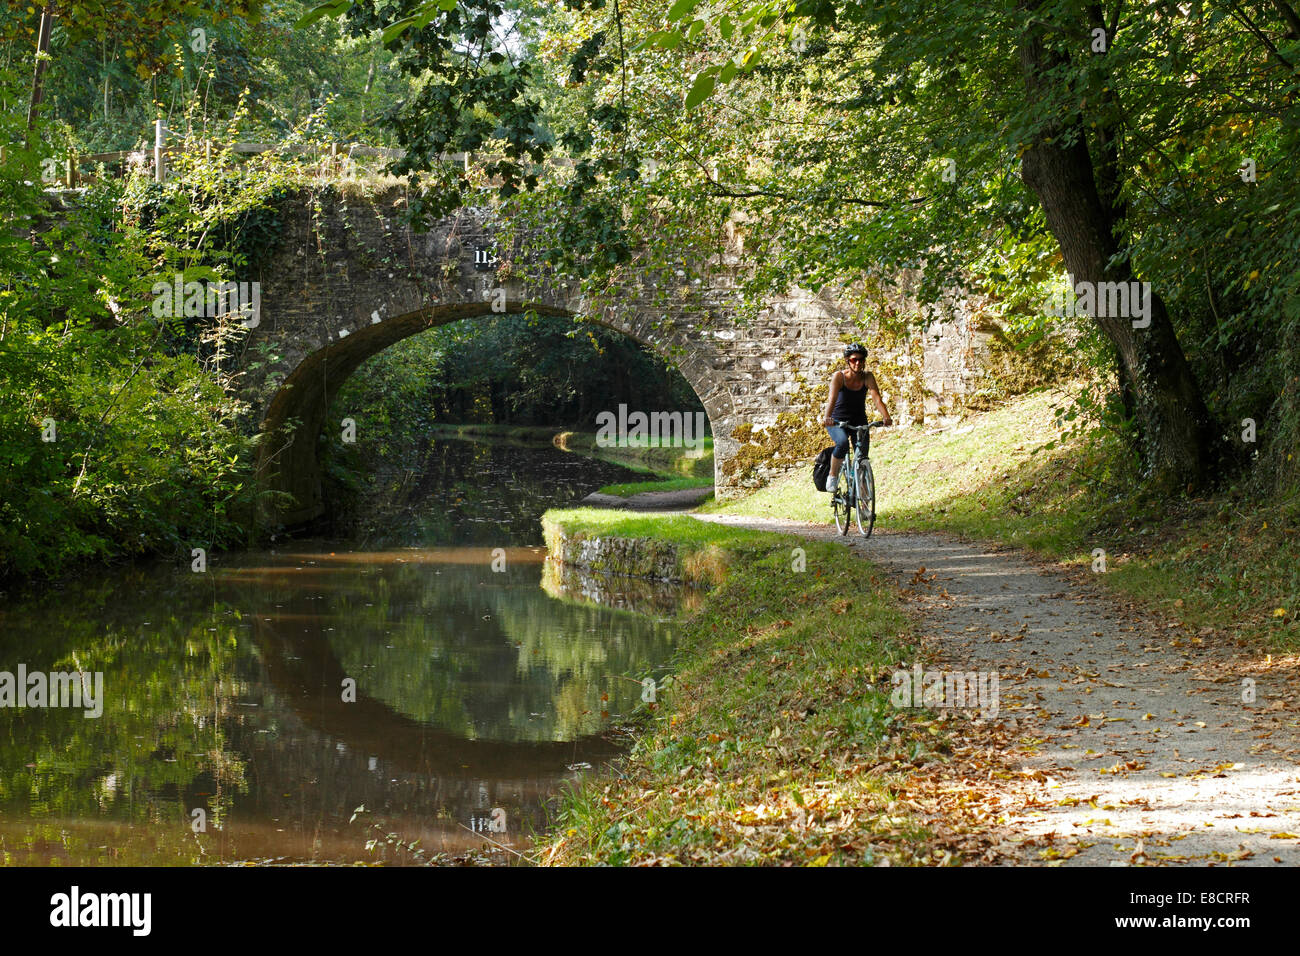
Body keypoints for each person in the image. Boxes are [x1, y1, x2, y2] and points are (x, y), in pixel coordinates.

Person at [820, 343, 892, 492]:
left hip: (859, 420)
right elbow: (832, 399)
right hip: (837, 421)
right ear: (847, 360)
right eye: (854, 360)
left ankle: (863, 497)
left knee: (862, 456)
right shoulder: (839, 377)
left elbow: (877, 398)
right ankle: (832, 476)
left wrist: (886, 417)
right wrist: (827, 417)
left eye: (861, 359)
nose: (857, 363)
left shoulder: (867, 377)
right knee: (842, 443)